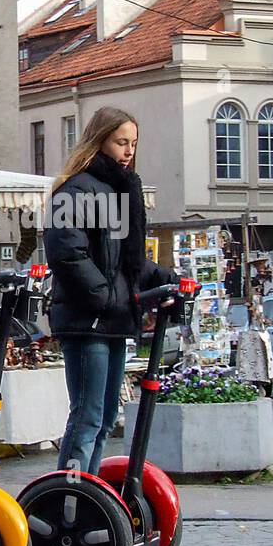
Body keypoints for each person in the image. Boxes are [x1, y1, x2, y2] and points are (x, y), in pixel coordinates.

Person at [45, 106, 175, 475]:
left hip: (115, 317)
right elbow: (67, 254)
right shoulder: (76, 190)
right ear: (99, 140)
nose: (129, 150)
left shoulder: (119, 189)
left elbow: (127, 260)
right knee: (87, 416)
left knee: (103, 418)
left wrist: (164, 278)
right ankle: (68, 495)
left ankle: (86, 490)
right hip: (88, 319)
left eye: (133, 143)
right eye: (121, 142)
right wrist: (105, 296)